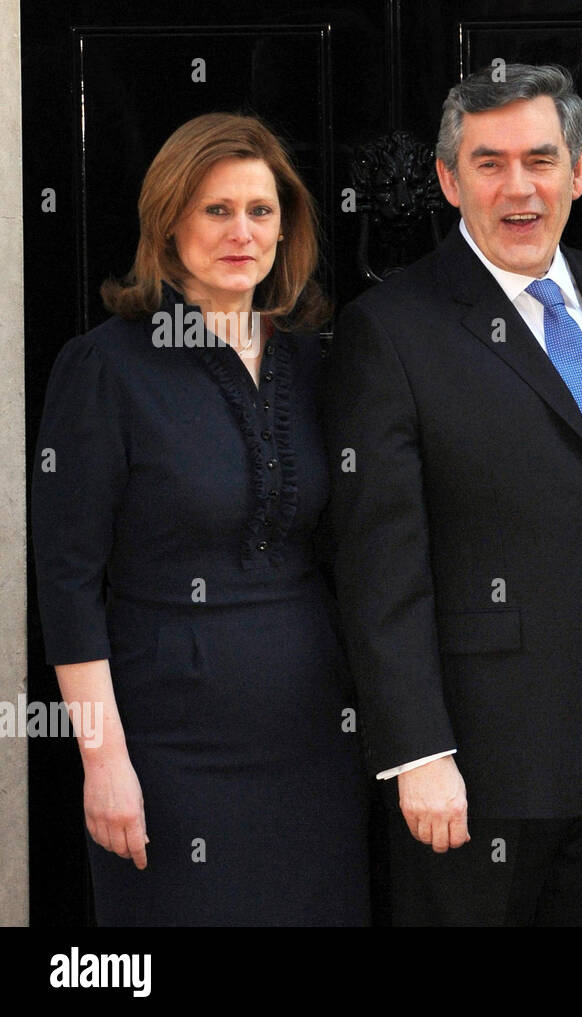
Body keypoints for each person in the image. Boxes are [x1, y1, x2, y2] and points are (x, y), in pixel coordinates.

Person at [321, 63, 582, 927]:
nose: (518, 187)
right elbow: (381, 565)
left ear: (581, 167)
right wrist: (417, 749)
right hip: (475, 769)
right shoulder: (391, 329)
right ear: (451, 181)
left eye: (539, 158)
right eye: (488, 163)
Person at [31, 112, 369, 925]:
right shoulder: (105, 365)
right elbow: (68, 581)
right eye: (216, 210)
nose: (242, 232)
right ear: (169, 222)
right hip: (167, 744)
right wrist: (102, 763)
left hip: (313, 735)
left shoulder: (317, 358)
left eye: (261, 210)